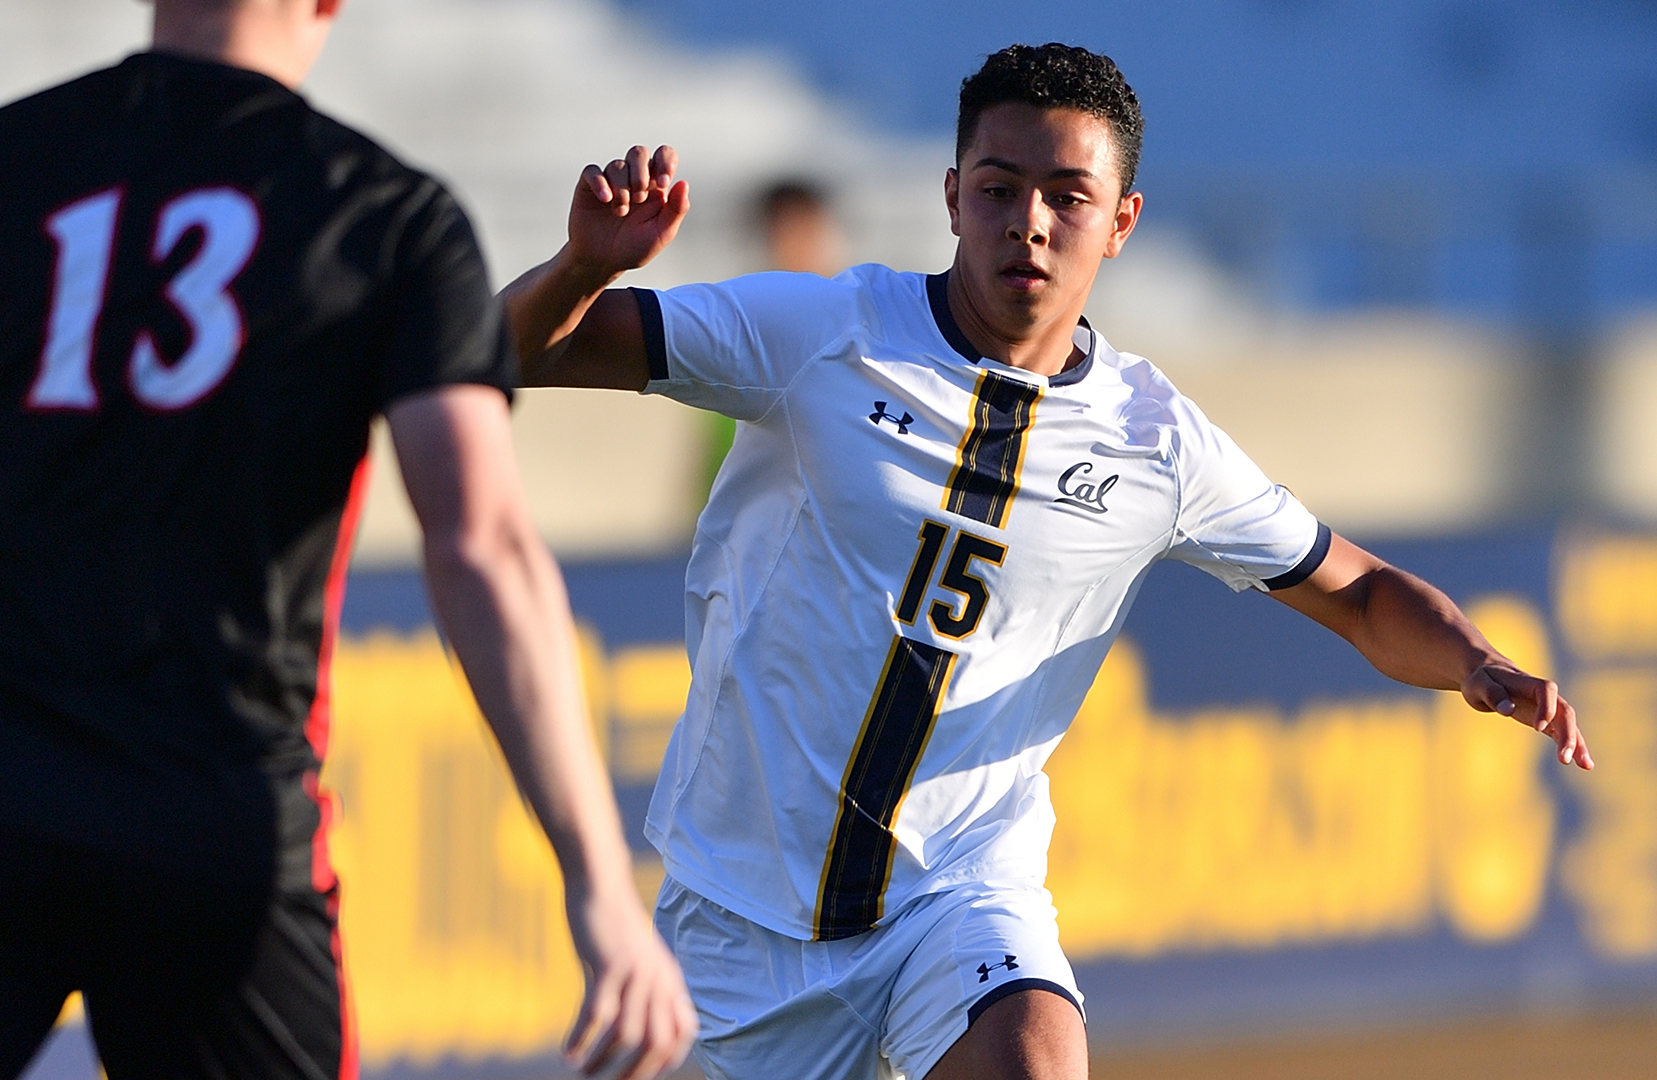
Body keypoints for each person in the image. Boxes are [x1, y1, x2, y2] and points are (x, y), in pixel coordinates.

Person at [502, 42, 1594, 1080]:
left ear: (1120, 223)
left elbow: (1355, 591)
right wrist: (581, 269)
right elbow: (511, 348)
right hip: (740, 918)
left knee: (1034, 1053)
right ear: (949, 196)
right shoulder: (816, 332)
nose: (1028, 222)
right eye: (997, 187)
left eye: (1067, 196)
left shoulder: (1155, 442)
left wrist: (1471, 660)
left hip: (960, 900)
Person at [0, 2, 694, 1079]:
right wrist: (599, 880)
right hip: (218, 819)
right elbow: (482, 546)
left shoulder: (19, 155)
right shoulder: (383, 214)